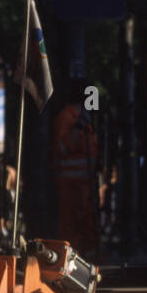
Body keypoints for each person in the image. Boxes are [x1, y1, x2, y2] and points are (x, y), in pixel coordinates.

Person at [51, 77, 100, 258]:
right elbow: (62, 147)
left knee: (86, 223)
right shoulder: (68, 117)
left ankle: (86, 258)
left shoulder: (84, 119)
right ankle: (70, 260)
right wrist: (77, 129)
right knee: (70, 226)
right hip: (69, 184)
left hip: (84, 184)